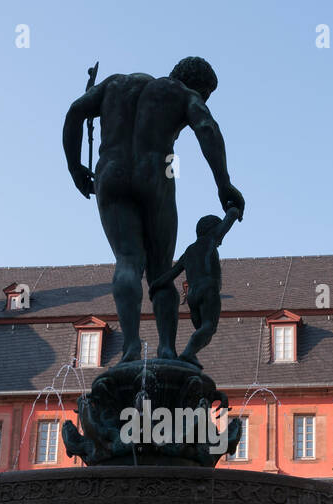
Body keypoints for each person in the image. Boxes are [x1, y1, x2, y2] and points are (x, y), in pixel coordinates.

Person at [63, 56, 245, 362]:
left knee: (128, 261)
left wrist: (75, 166)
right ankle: (166, 350)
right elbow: (207, 128)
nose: (204, 99)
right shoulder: (180, 93)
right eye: (206, 94)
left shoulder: (115, 84)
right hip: (156, 174)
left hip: (112, 174)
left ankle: (131, 345)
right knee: (160, 270)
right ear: (196, 85)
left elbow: (74, 112)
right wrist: (223, 184)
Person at [148, 207, 240, 366]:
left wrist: (154, 286)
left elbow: (171, 274)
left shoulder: (189, 251)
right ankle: (188, 353)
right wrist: (235, 209)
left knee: (202, 329)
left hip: (192, 295)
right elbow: (229, 218)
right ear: (211, 229)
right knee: (209, 327)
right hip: (208, 289)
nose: (221, 241)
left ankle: (191, 354)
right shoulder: (211, 239)